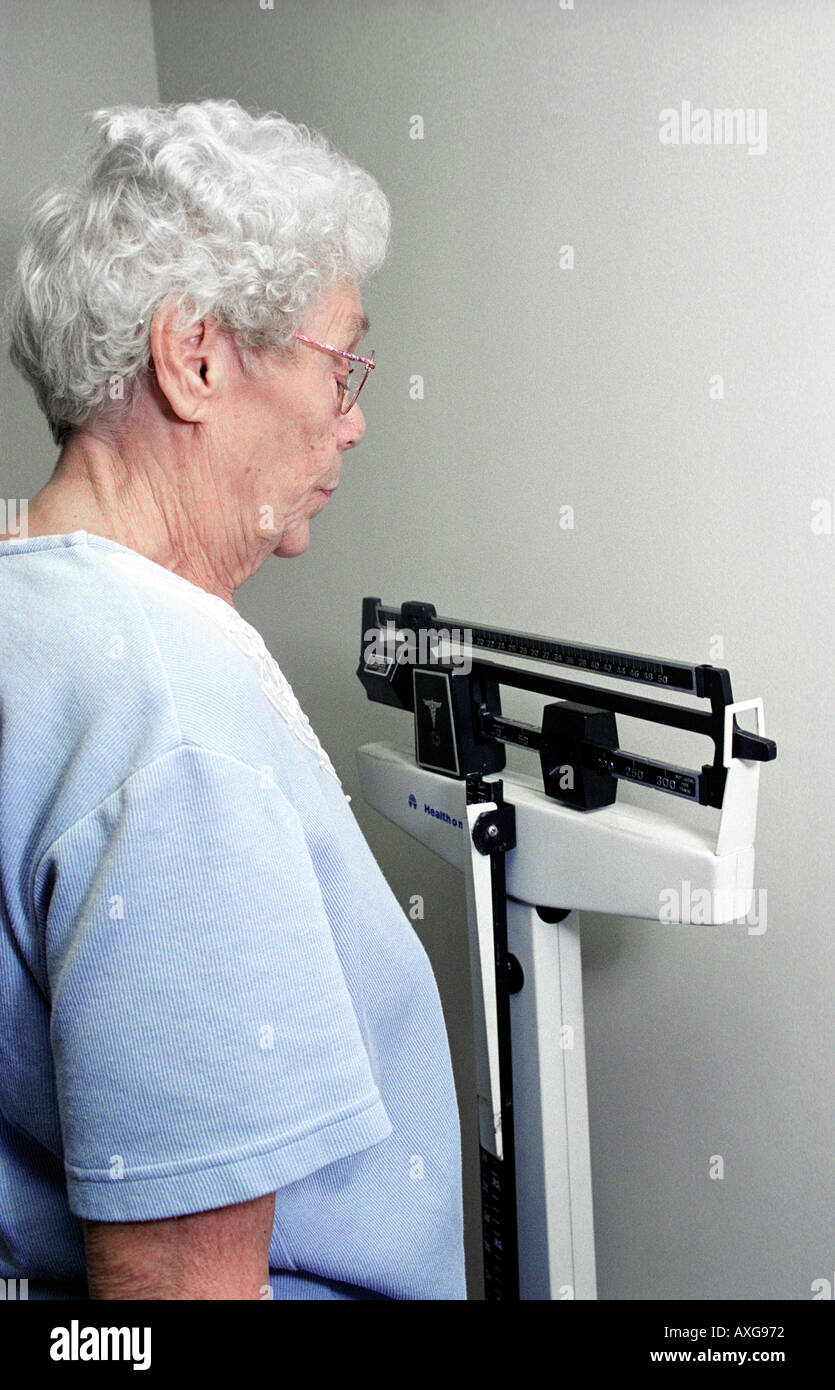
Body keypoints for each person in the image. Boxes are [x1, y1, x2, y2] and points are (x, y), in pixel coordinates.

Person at [0, 99, 466, 1300]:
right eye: (344, 362)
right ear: (195, 356)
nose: (353, 419)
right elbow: (174, 1296)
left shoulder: (29, 606)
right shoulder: (173, 720)